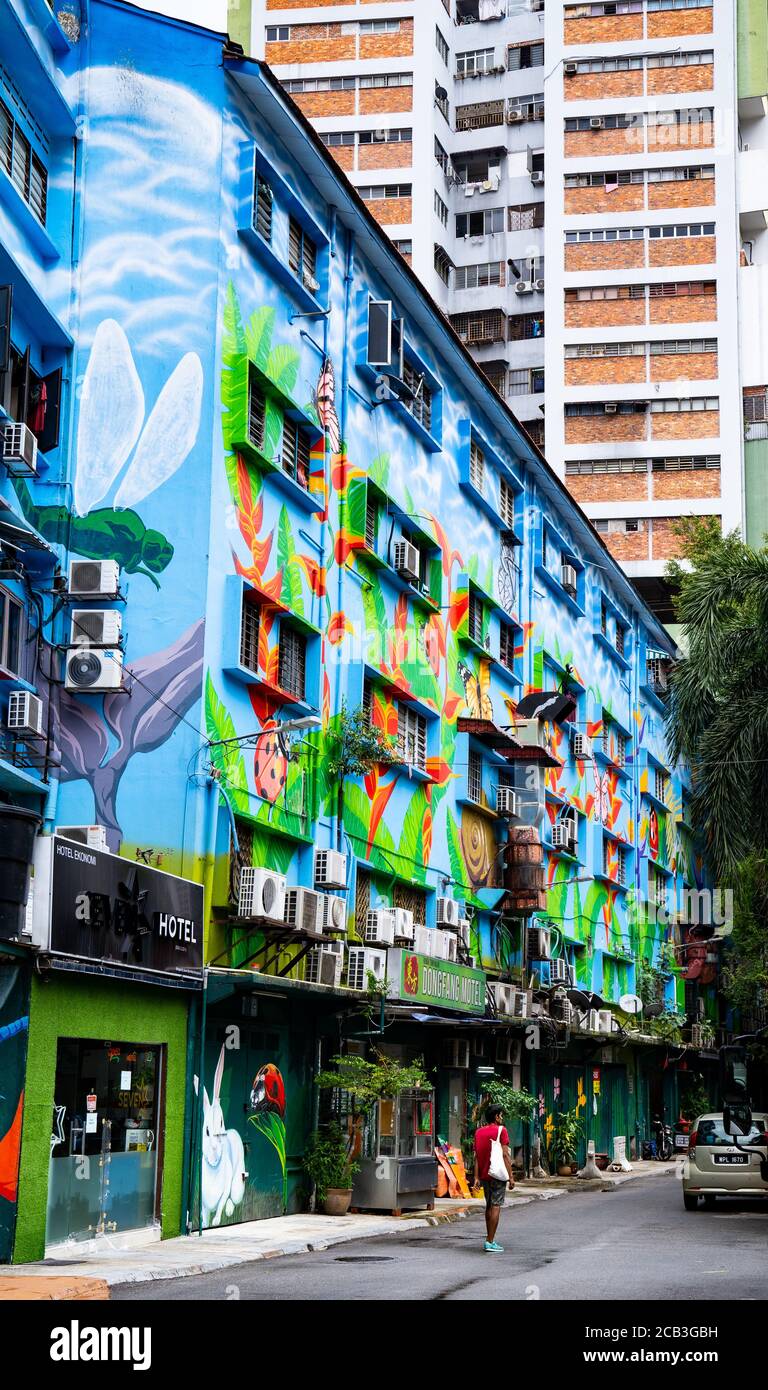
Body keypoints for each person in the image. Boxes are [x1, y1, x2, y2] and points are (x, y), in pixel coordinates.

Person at [473, 1102, 515, 1252]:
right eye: (501, 1115)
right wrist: (511, 1176)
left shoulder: (478, 1132)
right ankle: (490, 1241)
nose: (502, 1118)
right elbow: (505, 1155)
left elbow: (476, 1156)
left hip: (484, 1174)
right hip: (497, 1174)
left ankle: (489, 1238)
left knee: (489, 1206)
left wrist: (476, 1177)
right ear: (496, 1116)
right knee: (496, 1205)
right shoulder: (501, 1131)